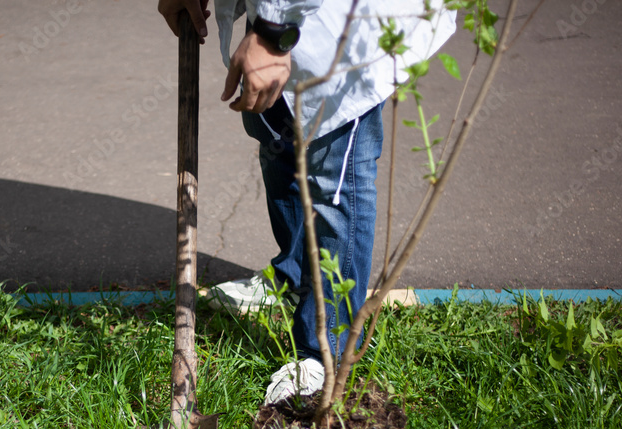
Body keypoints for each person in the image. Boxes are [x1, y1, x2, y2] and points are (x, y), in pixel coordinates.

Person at [158, 0, 455, 404]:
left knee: (334, 178)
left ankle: (324, 351)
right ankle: (296, 276)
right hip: (284, 22)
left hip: (343, 24)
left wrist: (271, 31)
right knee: (278, 145)